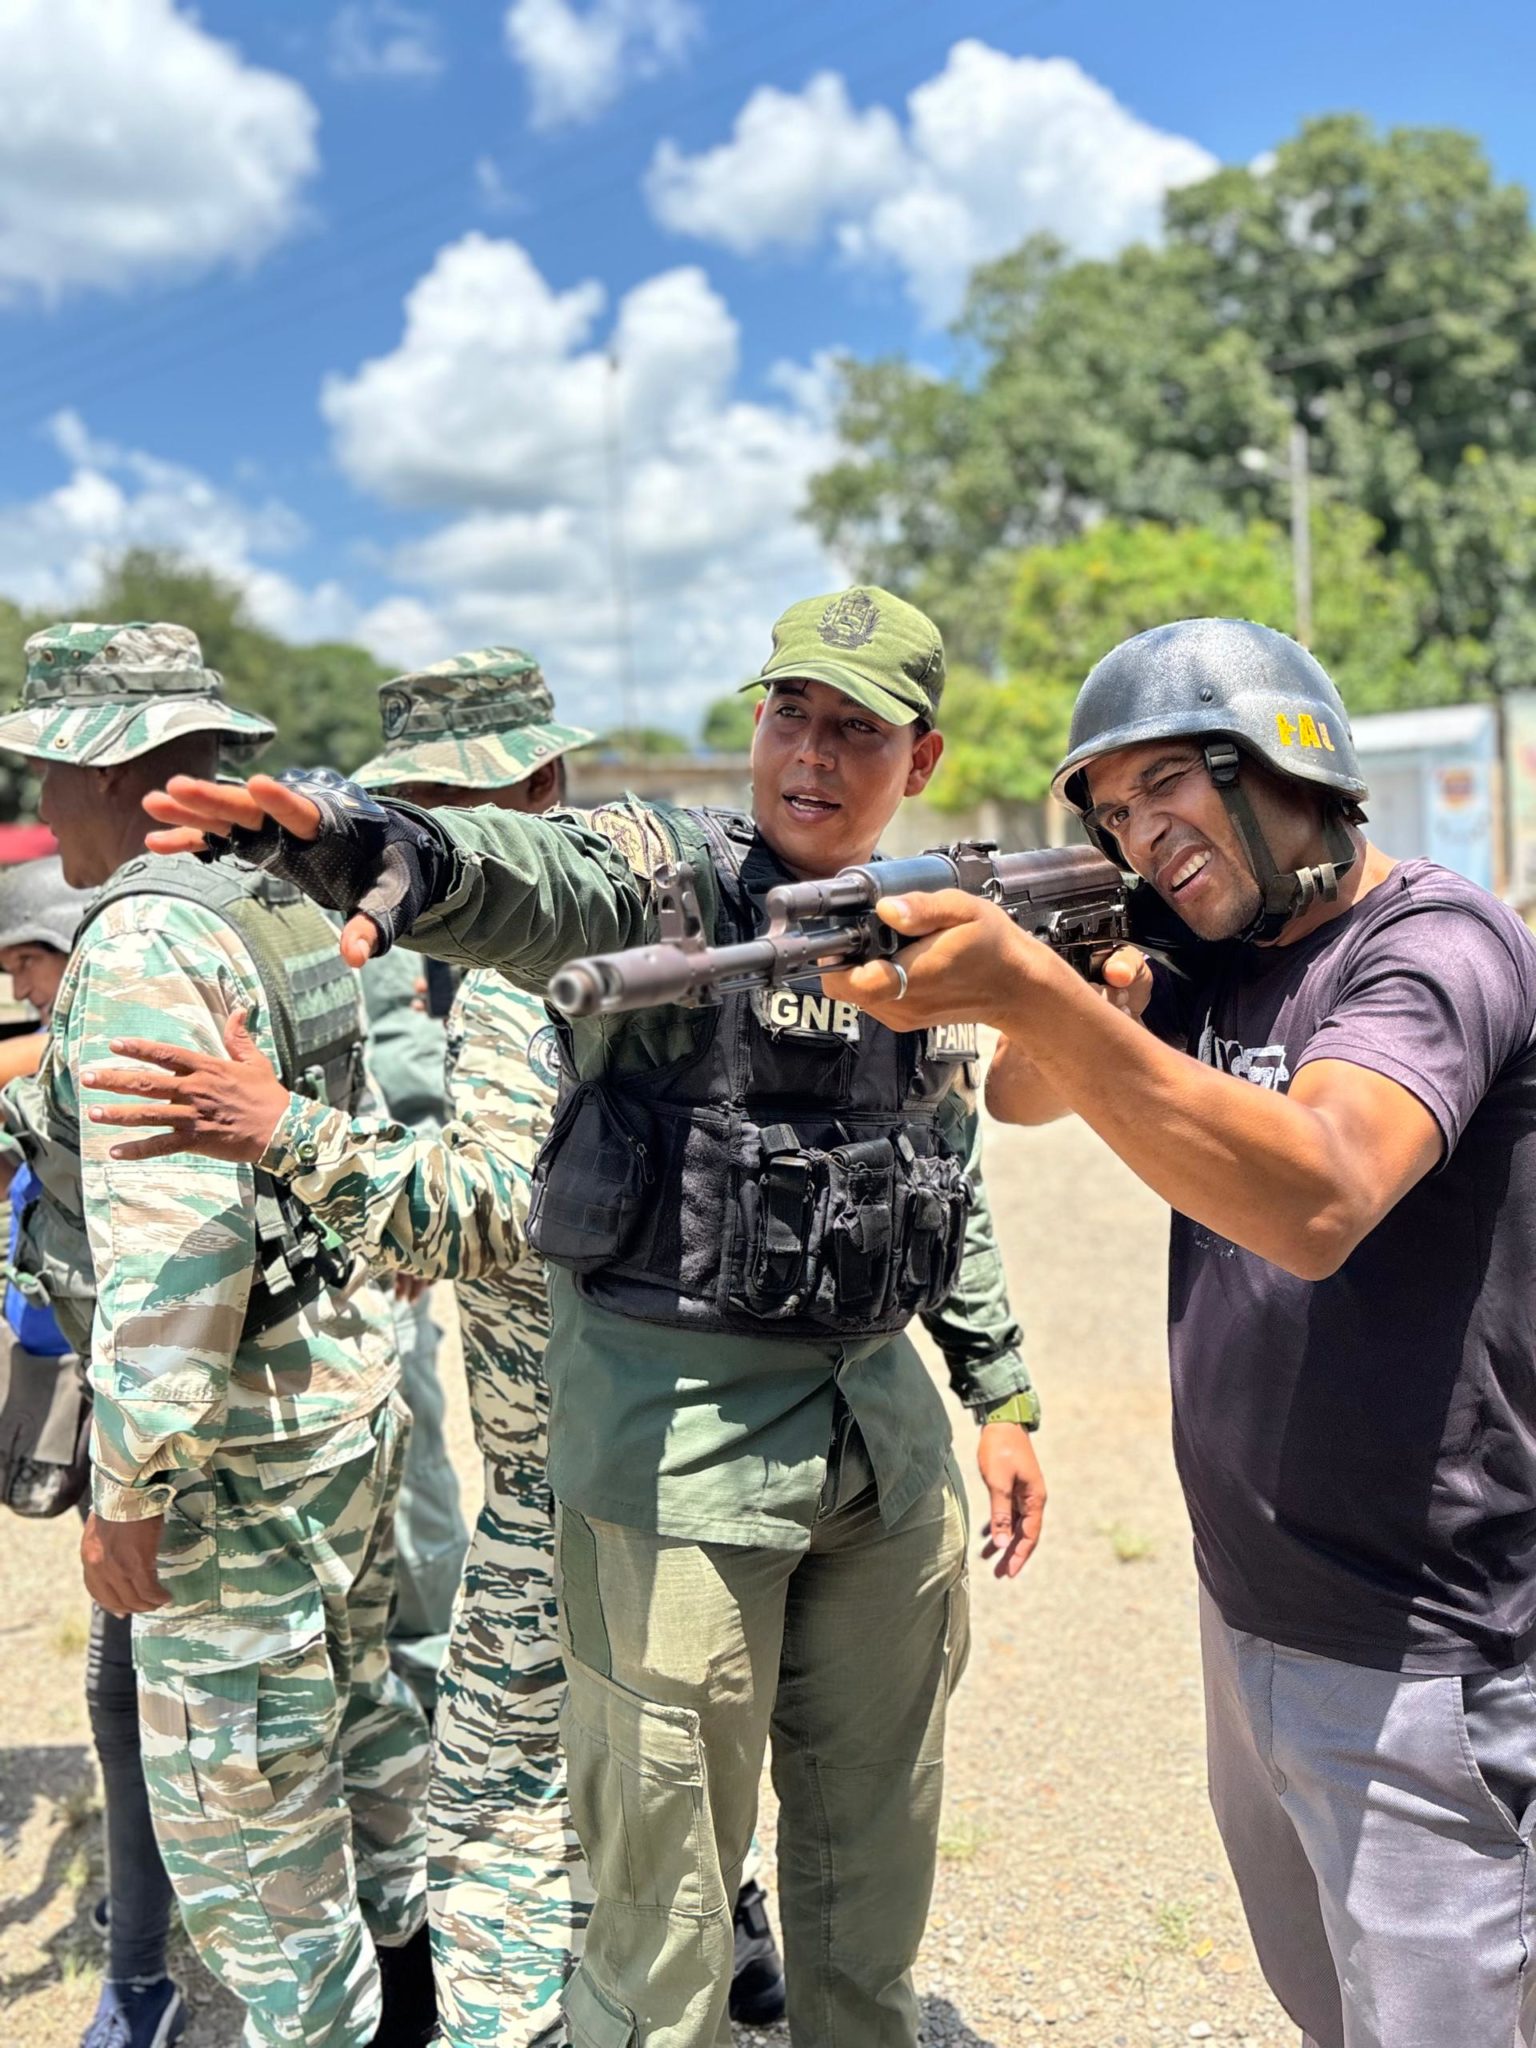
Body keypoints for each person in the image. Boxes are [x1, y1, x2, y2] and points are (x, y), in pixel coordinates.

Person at [105, 585, 1045, 2048]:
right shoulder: (647, 892)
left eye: (855, 729)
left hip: (877, 1453)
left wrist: (1000, 1390)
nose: (811, 751)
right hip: (667, 1469)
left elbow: (940, 1161)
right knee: (638, 1914)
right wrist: (374, 846)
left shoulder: (930, 921)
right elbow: (527, 880)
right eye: (789, 714)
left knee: (862, 1886)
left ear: (918, 759)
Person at [815, 615, 1536, 2048]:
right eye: (1116, 813)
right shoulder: (1210, 947)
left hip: (1425, 1637)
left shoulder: (1433, 948)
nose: (1145, 836)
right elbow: (1025, 1095)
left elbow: (1320, 1196)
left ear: (1284, 766)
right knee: (1330, 2003)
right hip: (1254, 1603)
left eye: (1170, 787)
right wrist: (1084, 989)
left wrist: (1039, 994)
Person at [89, 647, 785, 2045]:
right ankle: (724, 1937)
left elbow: (490, 1208)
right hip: (701, 1445)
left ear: (538, 790)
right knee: (639, 1771)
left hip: (571, 1476)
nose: (424, 845)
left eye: (450, 807)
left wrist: (281, 1130)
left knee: (494, 1825)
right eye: (413, 810)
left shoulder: (534, 973)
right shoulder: (694, 913)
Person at [0, 622, 433, 2048]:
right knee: (360, 1733)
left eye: (46, 768)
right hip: (339, 1393)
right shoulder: (276, 896)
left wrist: (128, 1493)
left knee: (254, 1847)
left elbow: (179, 1257)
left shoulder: (143, 938)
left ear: (105, 768)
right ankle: (407, 1994)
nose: (38, 801)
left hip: (230, 1460)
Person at [0, 857, 187, 2048]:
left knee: (126, 1695)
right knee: (129, 1698)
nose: (20, 988)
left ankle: (140, 1970)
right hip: (87, 1398)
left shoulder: (130, 1055)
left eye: (29, 964)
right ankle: (146, 1898)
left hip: (149, 1434)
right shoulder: (58, 1054)